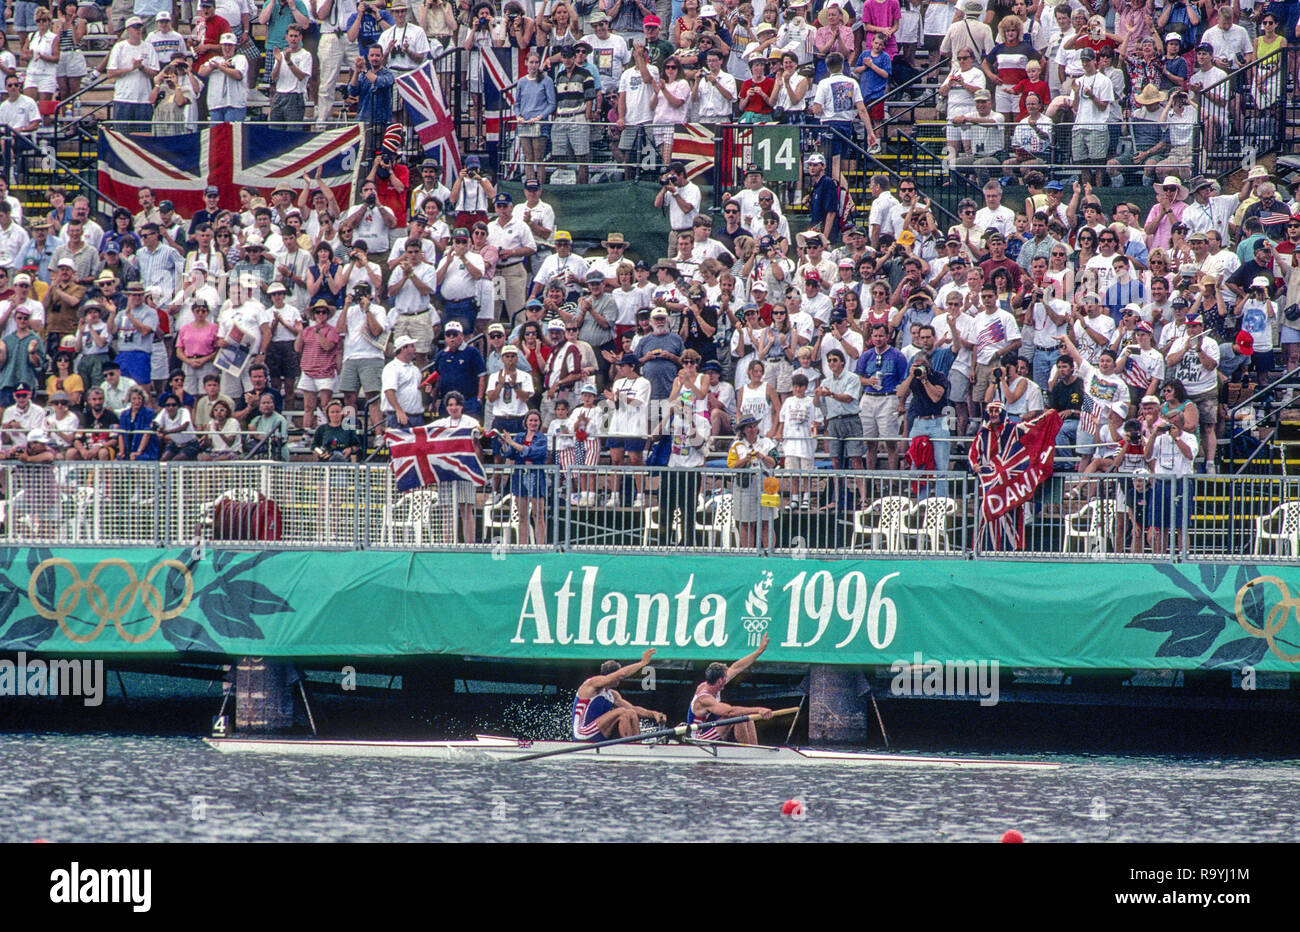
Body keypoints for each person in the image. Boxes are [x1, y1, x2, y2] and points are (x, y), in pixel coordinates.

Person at [687, 634, 773, 745]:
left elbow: (736, 667)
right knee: (736, 715)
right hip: (697, 738)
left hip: (708, 729)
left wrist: (759, 651)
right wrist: (759, 709)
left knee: (748, 717)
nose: (727, 679)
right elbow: (729, 711)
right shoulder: (705, 698)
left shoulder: (711, 683)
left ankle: (754, 748)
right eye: (725, 678)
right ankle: (748, 752)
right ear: (719, 681)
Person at [571, 649, 665, 741]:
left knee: (631, 712)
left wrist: (654, 714)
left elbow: (634, 708)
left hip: (598, 734)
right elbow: (622, 674)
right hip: (582, 734)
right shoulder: (592, 684)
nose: (621, 679)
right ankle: (628, 746)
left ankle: (637, 745)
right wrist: (643, 662)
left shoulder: (613, 695)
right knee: (622, 712)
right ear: (614, 675)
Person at [728, 413, 778, 548]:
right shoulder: (736, 445)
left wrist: (761, 456)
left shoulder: (767, 443)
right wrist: (746, 459)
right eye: (749, 427)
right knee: (746, 522)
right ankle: (748, 554)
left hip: (766, 484)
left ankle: (770, 553)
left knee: (767, 521)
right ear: (743, 430)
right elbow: (732, 465)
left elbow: (774, 462)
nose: (753, 429)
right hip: (744, 486)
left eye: (755, 426)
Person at [499, 408, 548, 544]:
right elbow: (510, 454)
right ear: (526, 422)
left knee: (538, 514)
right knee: (522, 515)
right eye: (530, 420)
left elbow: (532, 452)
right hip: (520, 477)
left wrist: (511, 443)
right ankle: (522, 545)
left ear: (539, 423)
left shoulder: (542, 438)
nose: (533, 423)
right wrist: (504, 444)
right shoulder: (520, 436)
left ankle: (541, 546)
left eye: (536, 421)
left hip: (536, 476)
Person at [381, 334, 425, 428]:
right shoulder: (392, 368)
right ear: (403, 348)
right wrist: (399, 410)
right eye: (412, 346)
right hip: (398, 417)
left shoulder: (415, 369)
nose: (415, 349)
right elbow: (389, 391)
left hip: (416, 417)